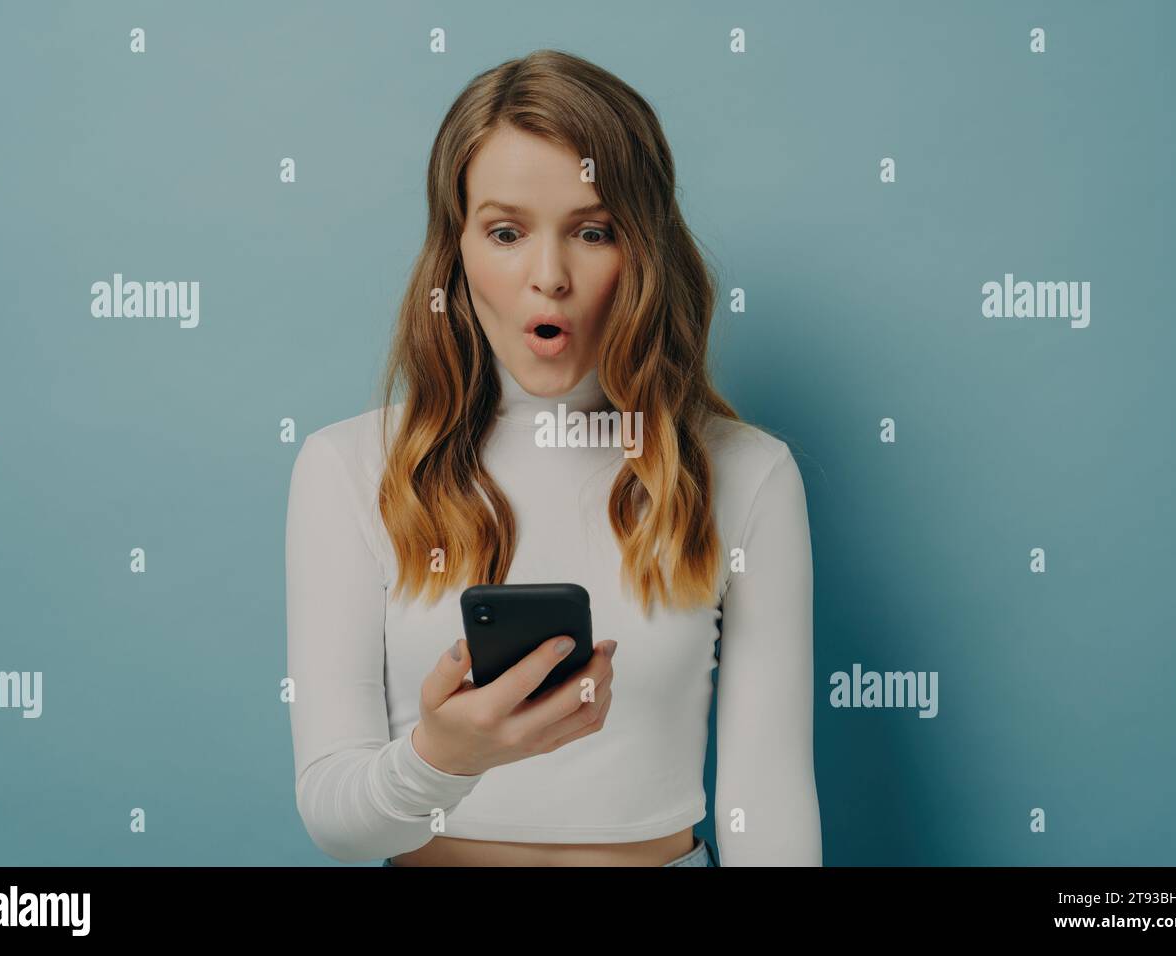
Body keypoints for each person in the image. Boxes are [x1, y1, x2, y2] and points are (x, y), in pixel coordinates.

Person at [285, 49, 821, 867]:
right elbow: (337, 818)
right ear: (456, 257)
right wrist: (442, 759)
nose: (550, 278)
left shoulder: (748, 474)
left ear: (643, 250)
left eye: (592, 231)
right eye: (505, 232)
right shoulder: (348, 467)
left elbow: (767, 807)